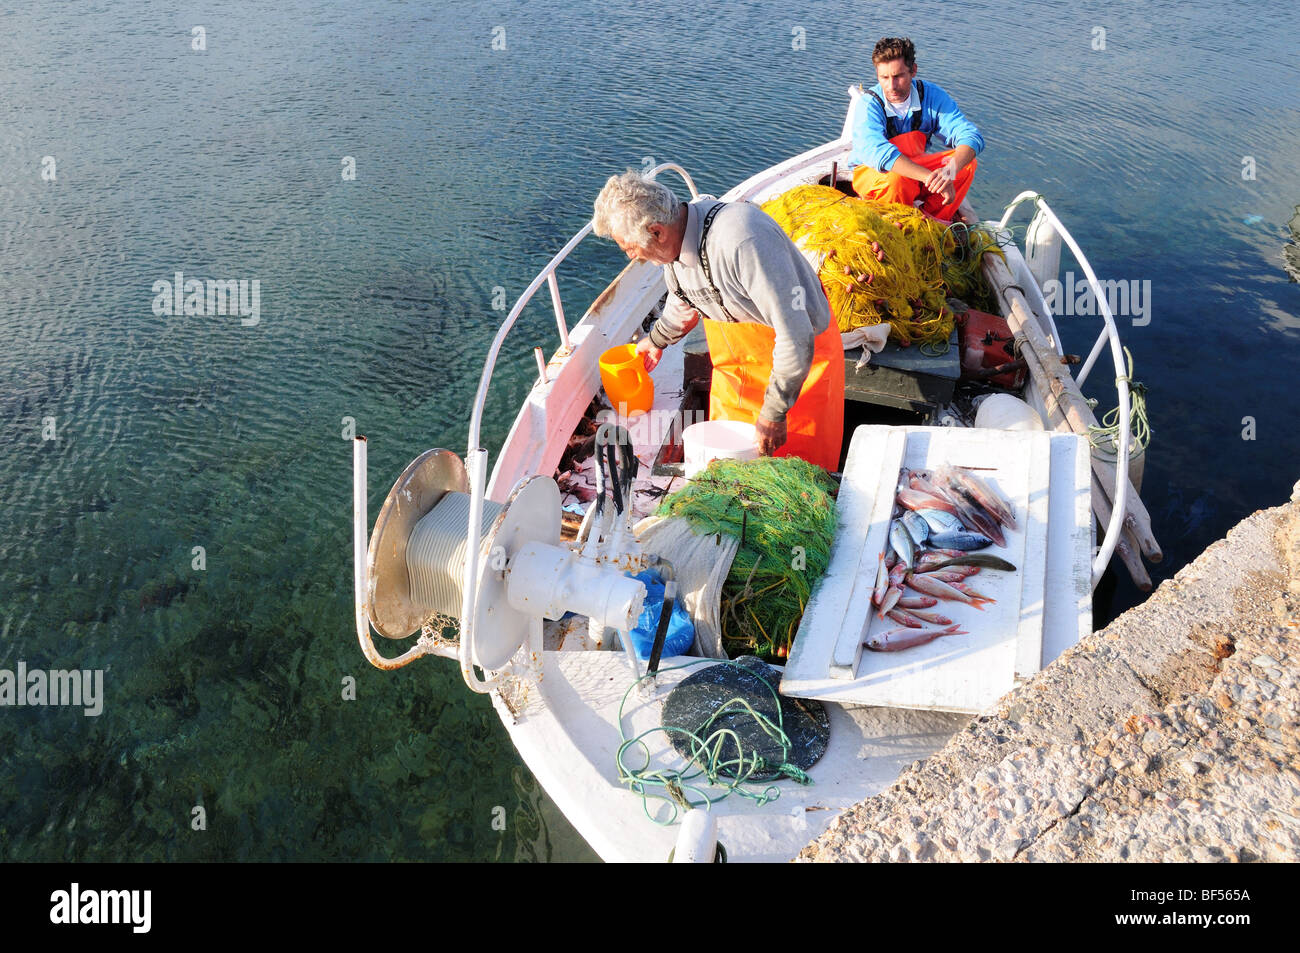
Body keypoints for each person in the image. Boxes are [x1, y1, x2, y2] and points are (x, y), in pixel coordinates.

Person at [591, 171, 844, 471]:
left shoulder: (744, 241)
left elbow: (796, 334)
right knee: (730, 470)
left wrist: (775, 412)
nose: (634, 257)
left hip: (798, 371)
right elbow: (683, 300)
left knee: (798, 475)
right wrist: (656, 340)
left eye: (629, 248)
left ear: (656, 231)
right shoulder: (673, 248)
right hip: (737, 373)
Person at [849, 36, 984, 222]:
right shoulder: (869, 104)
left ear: (913, 71)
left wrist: (948, 172)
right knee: (897, 180)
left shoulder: (931, 95)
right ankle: (896, 222)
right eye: (884, 78)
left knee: (966, 165)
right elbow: (879, 154)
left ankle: (932, 221)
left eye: (898, 76)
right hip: (877, 175)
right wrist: (931, 178)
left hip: (917, 172)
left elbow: (971, 136)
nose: (891, 86)